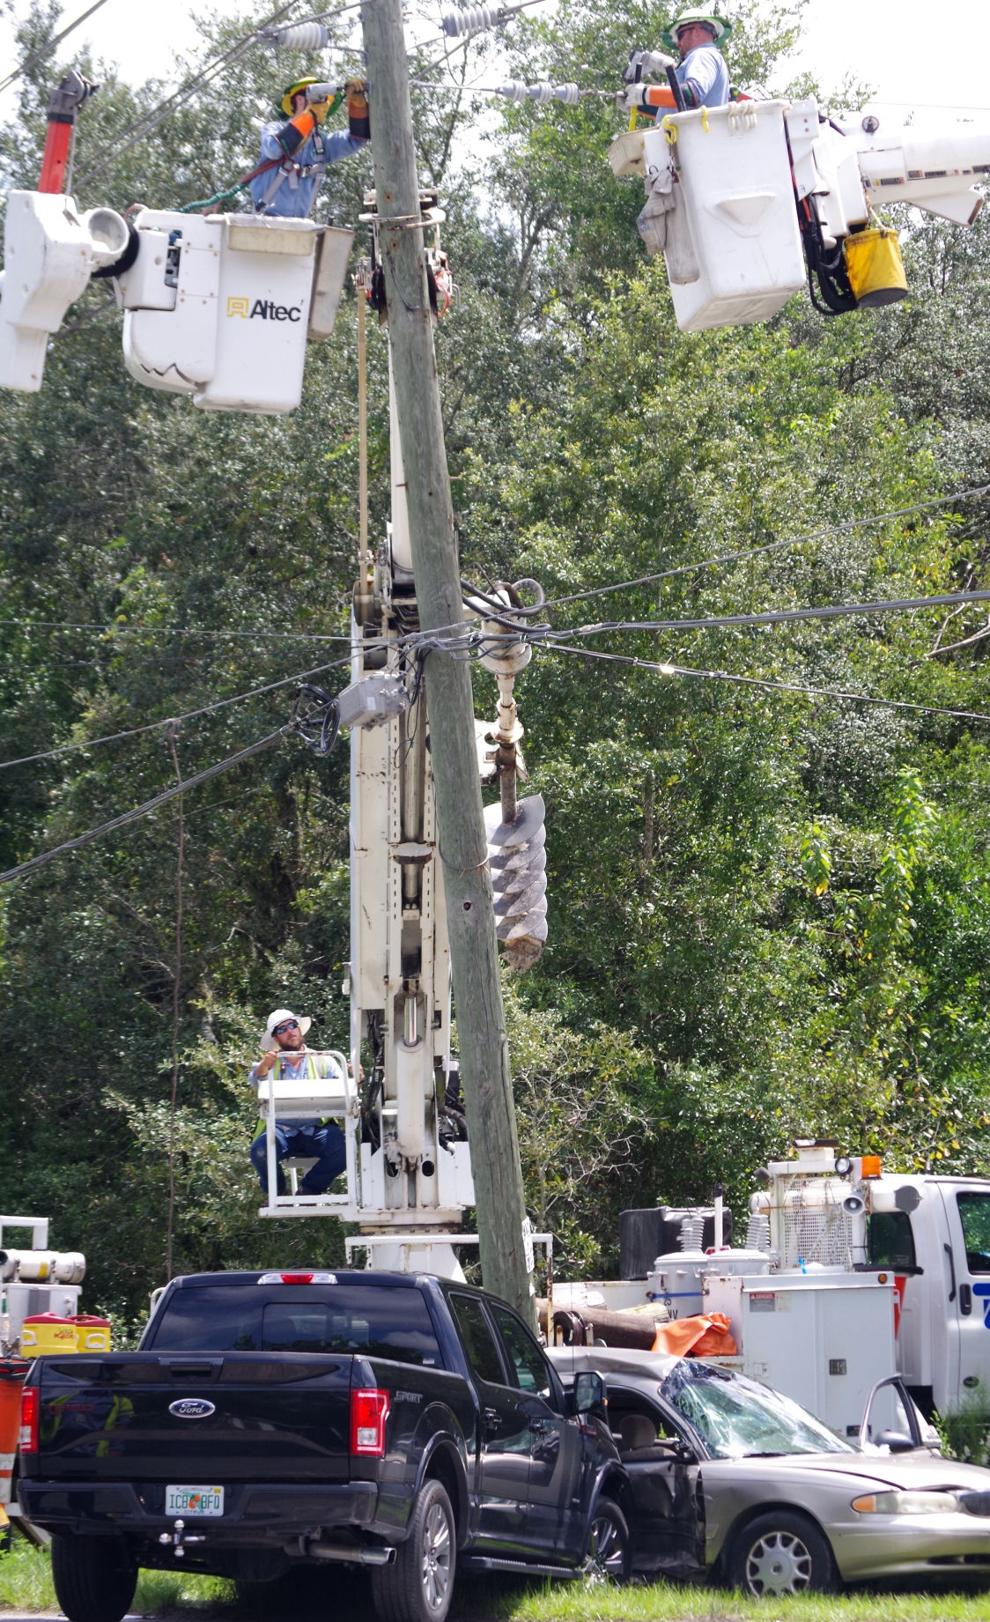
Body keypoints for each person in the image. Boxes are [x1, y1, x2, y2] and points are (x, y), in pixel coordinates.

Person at [249, 1008, 346, 1197]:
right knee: (260, 1152)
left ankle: (308, 1191)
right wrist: (264, 1066)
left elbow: (343, 1089)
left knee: (343, 1149)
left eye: (292, 1025)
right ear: (276, 1039)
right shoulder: (270, 1063)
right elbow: (255, 1078)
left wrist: (355, 1079)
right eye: (282, 1029)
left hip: (315, 1130)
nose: (290, 1031)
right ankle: (277, 1193)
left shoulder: (323, 1060)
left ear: (299, 1029)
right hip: (281, 1131)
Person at [249, 76, 370, 219]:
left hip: (299, 229)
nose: (324, 106)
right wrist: (310, 116)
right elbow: (274, 149)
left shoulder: (319, 142)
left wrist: (357, 104)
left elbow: (357, 139)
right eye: (320, 100)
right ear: (300, 100)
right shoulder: (275, 129)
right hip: (265, 225)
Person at [663, 10, 731, 110]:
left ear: (696, 31)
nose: (678, 44)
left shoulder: (702, 54)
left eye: (680, 36)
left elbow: (690, 94)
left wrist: (646, 94)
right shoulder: (709, 56)